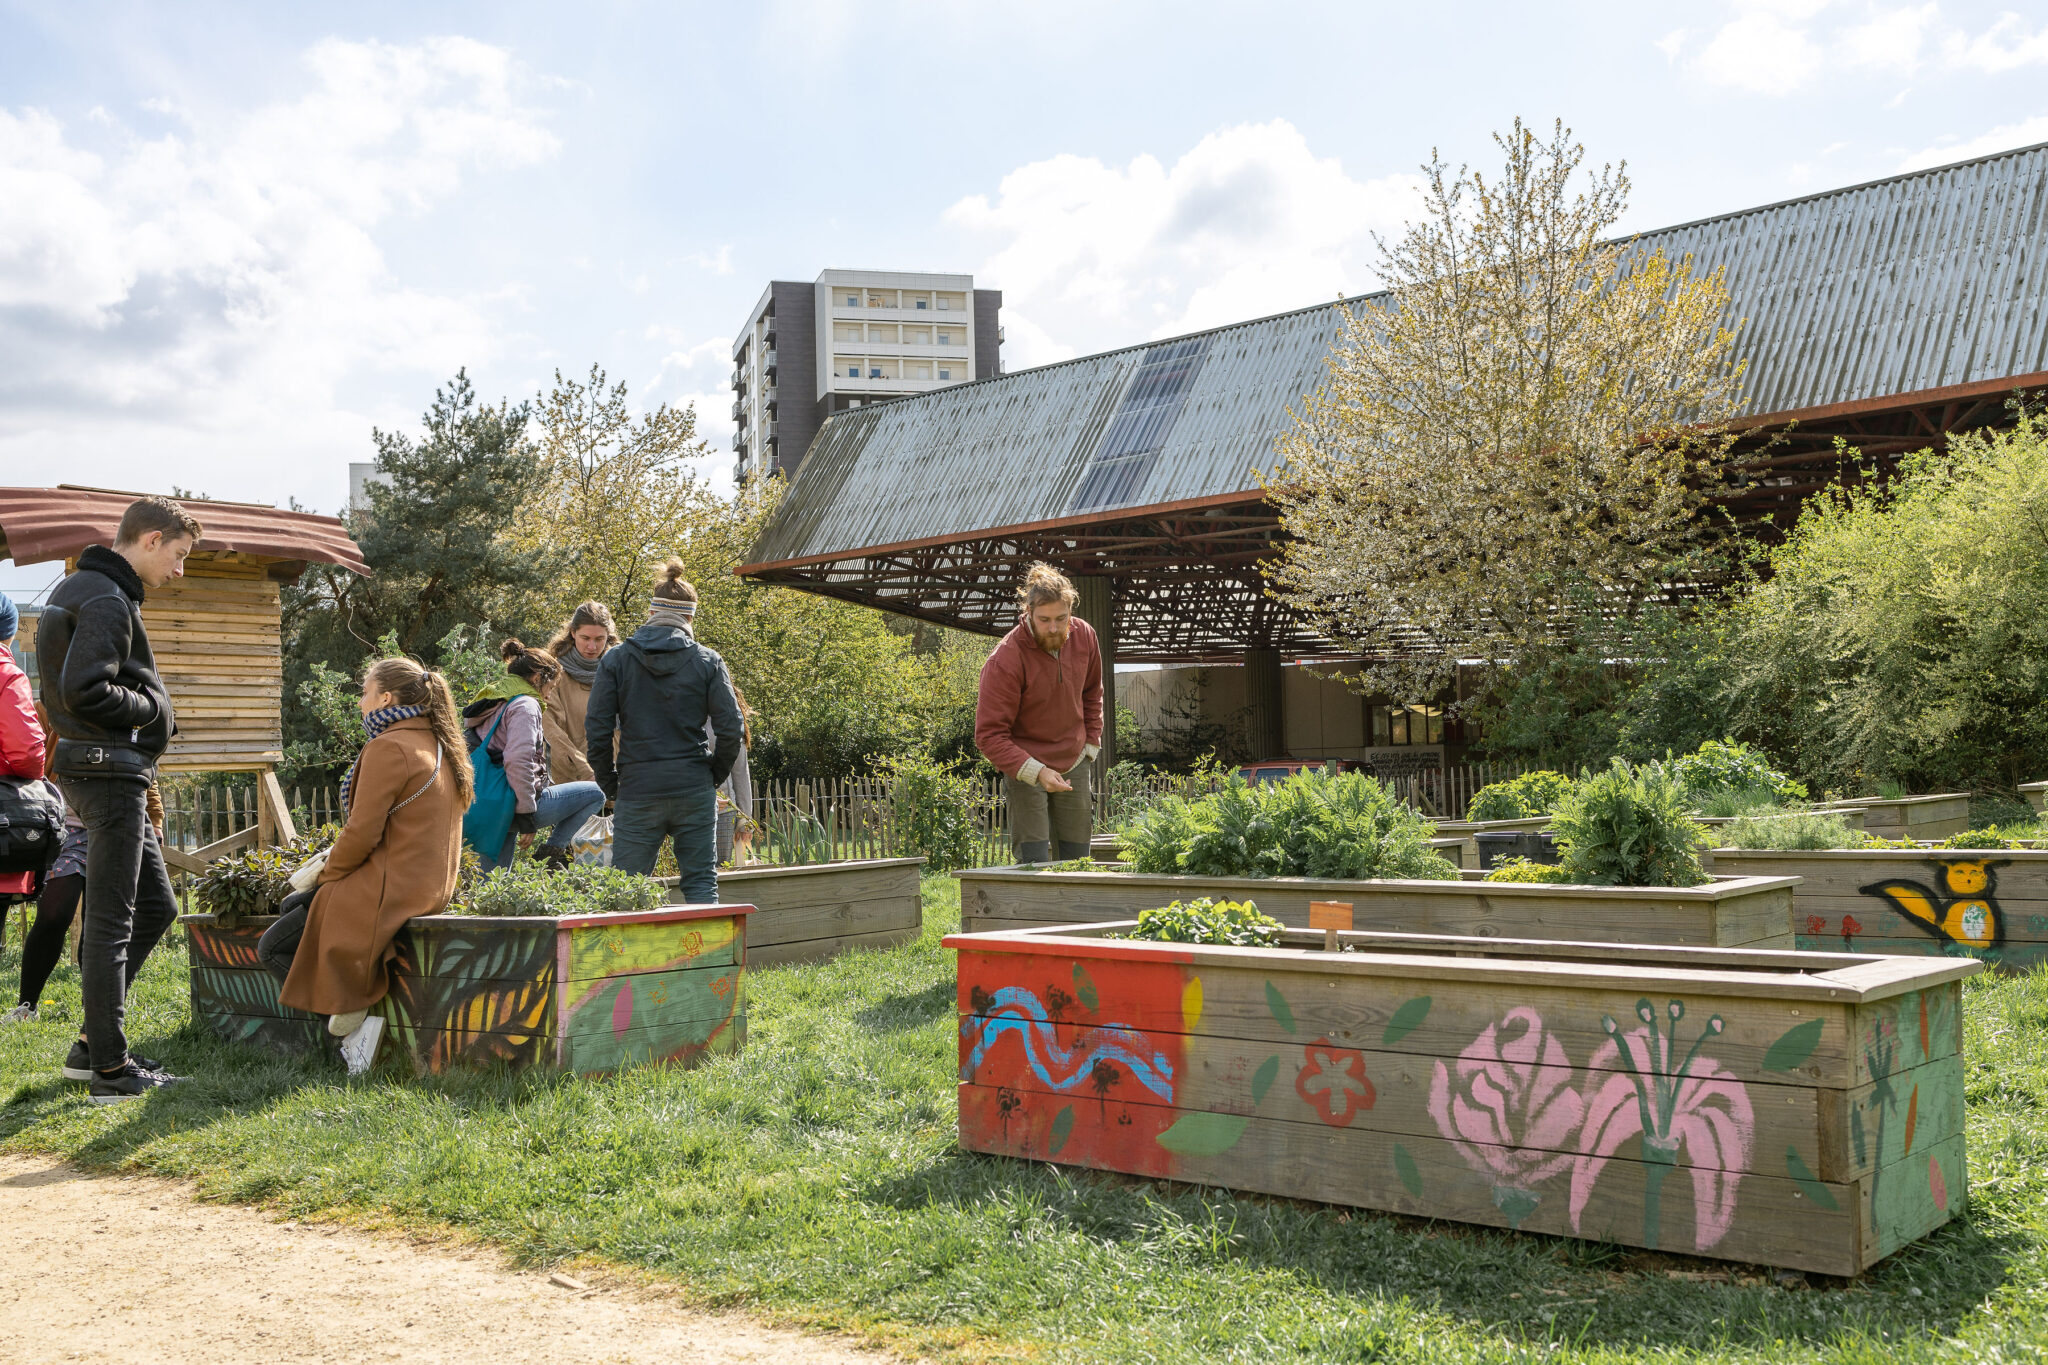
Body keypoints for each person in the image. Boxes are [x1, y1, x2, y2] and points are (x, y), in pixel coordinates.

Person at [39, 495, 199, 1102]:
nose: (179, 571)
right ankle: (110, 1068)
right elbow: (84, 688)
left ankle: (90, 1044)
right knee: (111, 923)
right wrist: (152, 711)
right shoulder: (105, 597)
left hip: (107, 768)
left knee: (157, 907)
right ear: (151, 539)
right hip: (107, 770)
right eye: (179, 555)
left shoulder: (85, 588)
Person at [257, 658, 472, 1075]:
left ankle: (352, 1038)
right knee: (293, 912)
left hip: (391, 886)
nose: (359, 703)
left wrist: (325, 875)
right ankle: (349, 1027)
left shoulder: (389, 746)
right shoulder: (439, 741)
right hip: (425, 883)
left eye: (364, 693)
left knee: (273, 946)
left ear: (385, 698)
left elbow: (361, 835)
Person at [585, 559, 741, 901]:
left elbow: (596, 729)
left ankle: (627, 956)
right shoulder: (708, 661)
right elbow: (731, 729)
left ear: (652, 613)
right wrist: (710, 776)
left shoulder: (616, 659)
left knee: (626, 889)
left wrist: (610, 782)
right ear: (689, 617)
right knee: (701, 882)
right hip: (693, 785)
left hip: (638, 787)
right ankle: (707, 956)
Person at [974, 562, 1103, 864]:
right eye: (1044, 620)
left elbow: (1092, 692)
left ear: (1071, 611)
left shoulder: (1085, 636)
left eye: (1061, 618)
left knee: (1077, 860)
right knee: (1033, 863)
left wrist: (1091, 745)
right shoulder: (1006, 658)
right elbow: (989, 735)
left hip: (1074, 758)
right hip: (1027, 766)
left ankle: (1074, 912)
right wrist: (1036, 771)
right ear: (1029, 613)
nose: (1054, 627)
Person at [463, 640, 607, 872]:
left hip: (487, 803)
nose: (549, 696)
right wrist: (527, 814)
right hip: (514, 803)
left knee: (492, 884)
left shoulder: (496, 698)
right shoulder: (526, 705)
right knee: (595, 793)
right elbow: (518, 760)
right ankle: (552, 853)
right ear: (537, 678)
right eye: (551, 687)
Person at [541, 601, 619, 786]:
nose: (592, 647)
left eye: (599, 639)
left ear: (608, 637)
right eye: (585, 638)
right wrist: (586, 771)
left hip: (620, 786)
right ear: (573, 633)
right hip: (573, 786)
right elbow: (551, 731)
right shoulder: (552, 675)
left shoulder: (621, 672)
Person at [712, 685, 756, 866]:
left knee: (721, 868)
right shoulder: (688, 714)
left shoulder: (731, 722)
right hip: (691, 806)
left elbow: (740, 775)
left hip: (725, 810)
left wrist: (745, 820)